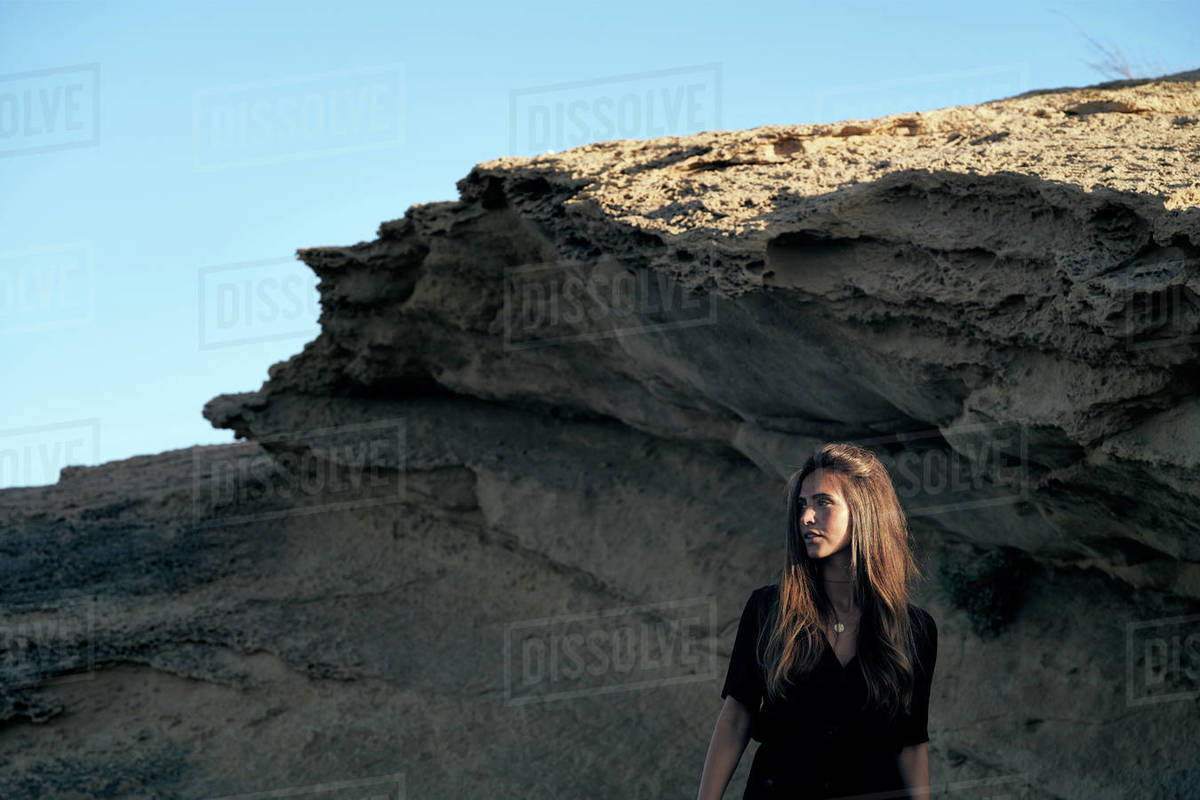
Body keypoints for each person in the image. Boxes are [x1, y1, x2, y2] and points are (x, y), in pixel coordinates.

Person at [696, 442, 938, 800]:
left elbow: (911, 743)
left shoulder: (914, 630)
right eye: (802, 505)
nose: (806, 518)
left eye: (823, 503)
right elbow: (736, 716)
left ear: (865, 512)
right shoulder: (768, 610)